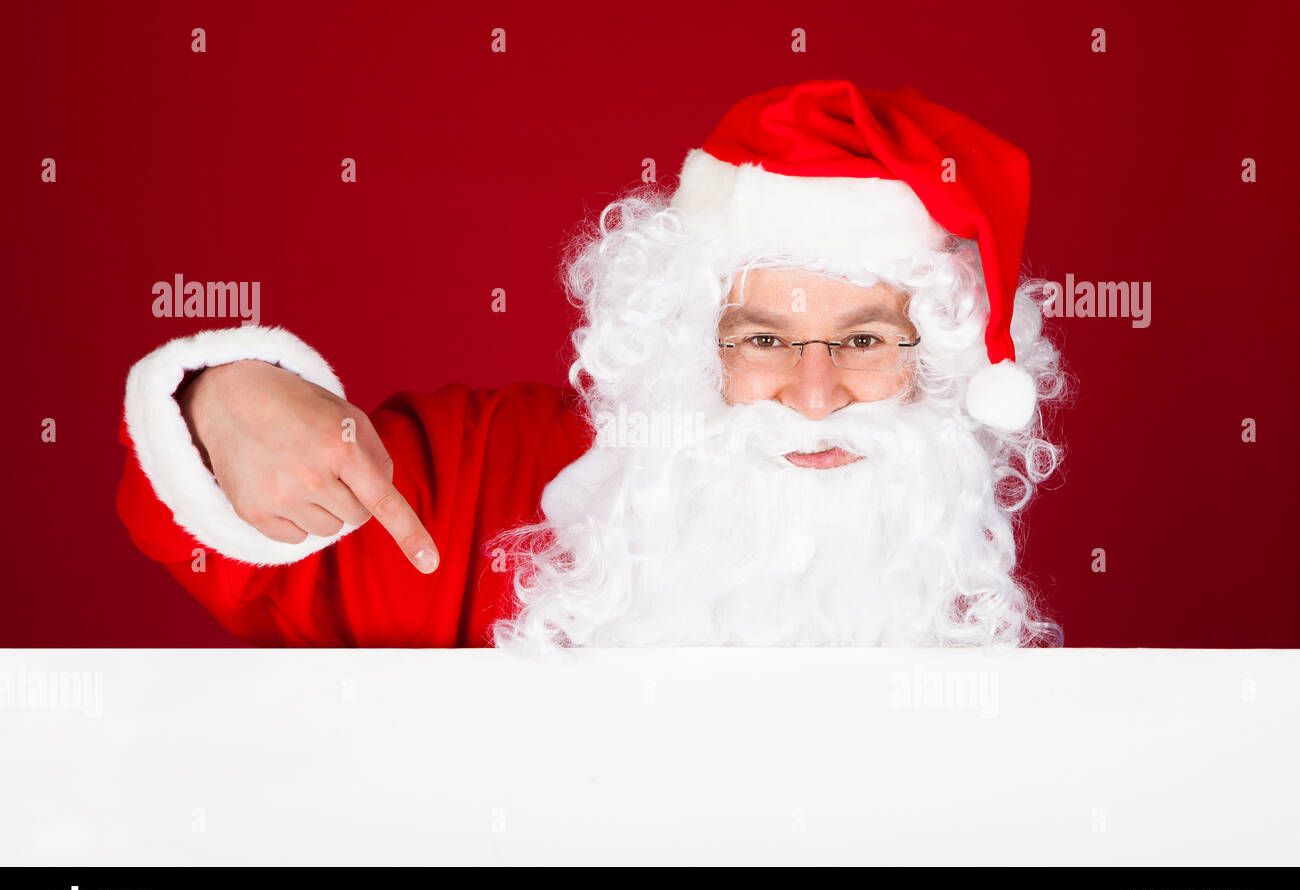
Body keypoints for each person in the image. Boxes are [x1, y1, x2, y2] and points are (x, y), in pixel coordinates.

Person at [115, 79, 1069, 651]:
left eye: (864, 341)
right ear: (691, 342)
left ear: (942, 364)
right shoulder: (485, 486)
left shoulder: (950, 547)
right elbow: (233, 549)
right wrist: (220, 398)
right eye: (764, 340)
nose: (812, 399)